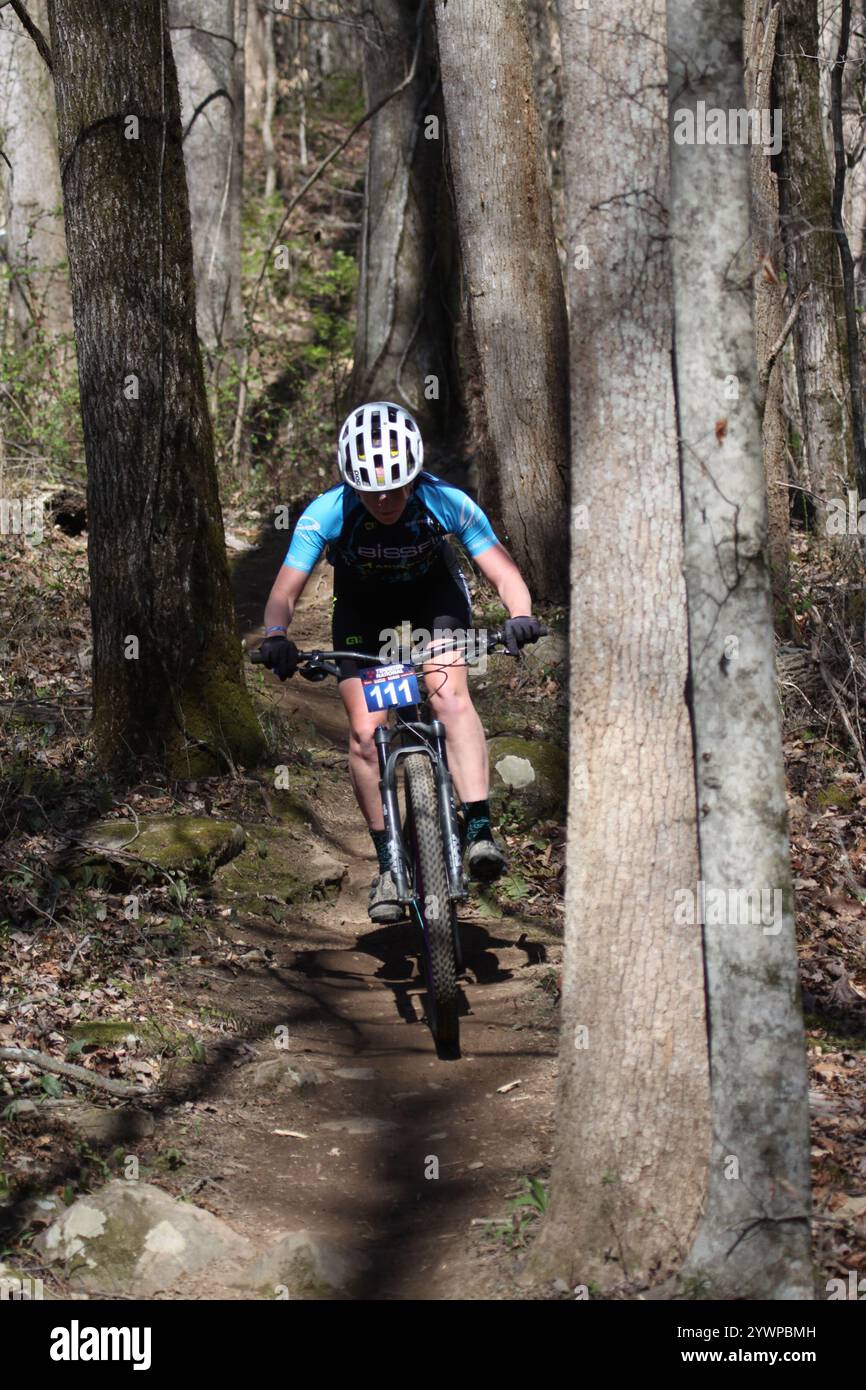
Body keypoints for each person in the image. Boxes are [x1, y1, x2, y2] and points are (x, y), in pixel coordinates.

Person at [260, 400, 542, 923]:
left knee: (450, 697)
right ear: (352, 483)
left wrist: (519, 614)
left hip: (434, 602)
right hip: (363, 612)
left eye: (396, 485)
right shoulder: (326, 513)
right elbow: (284, 591)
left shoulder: (446, 501)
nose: (385, 498)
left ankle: (479, 829)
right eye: (371, 489)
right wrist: (277, 634)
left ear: (414, 475)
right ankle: (389, 864)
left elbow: (502, 571)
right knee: (366, 735)